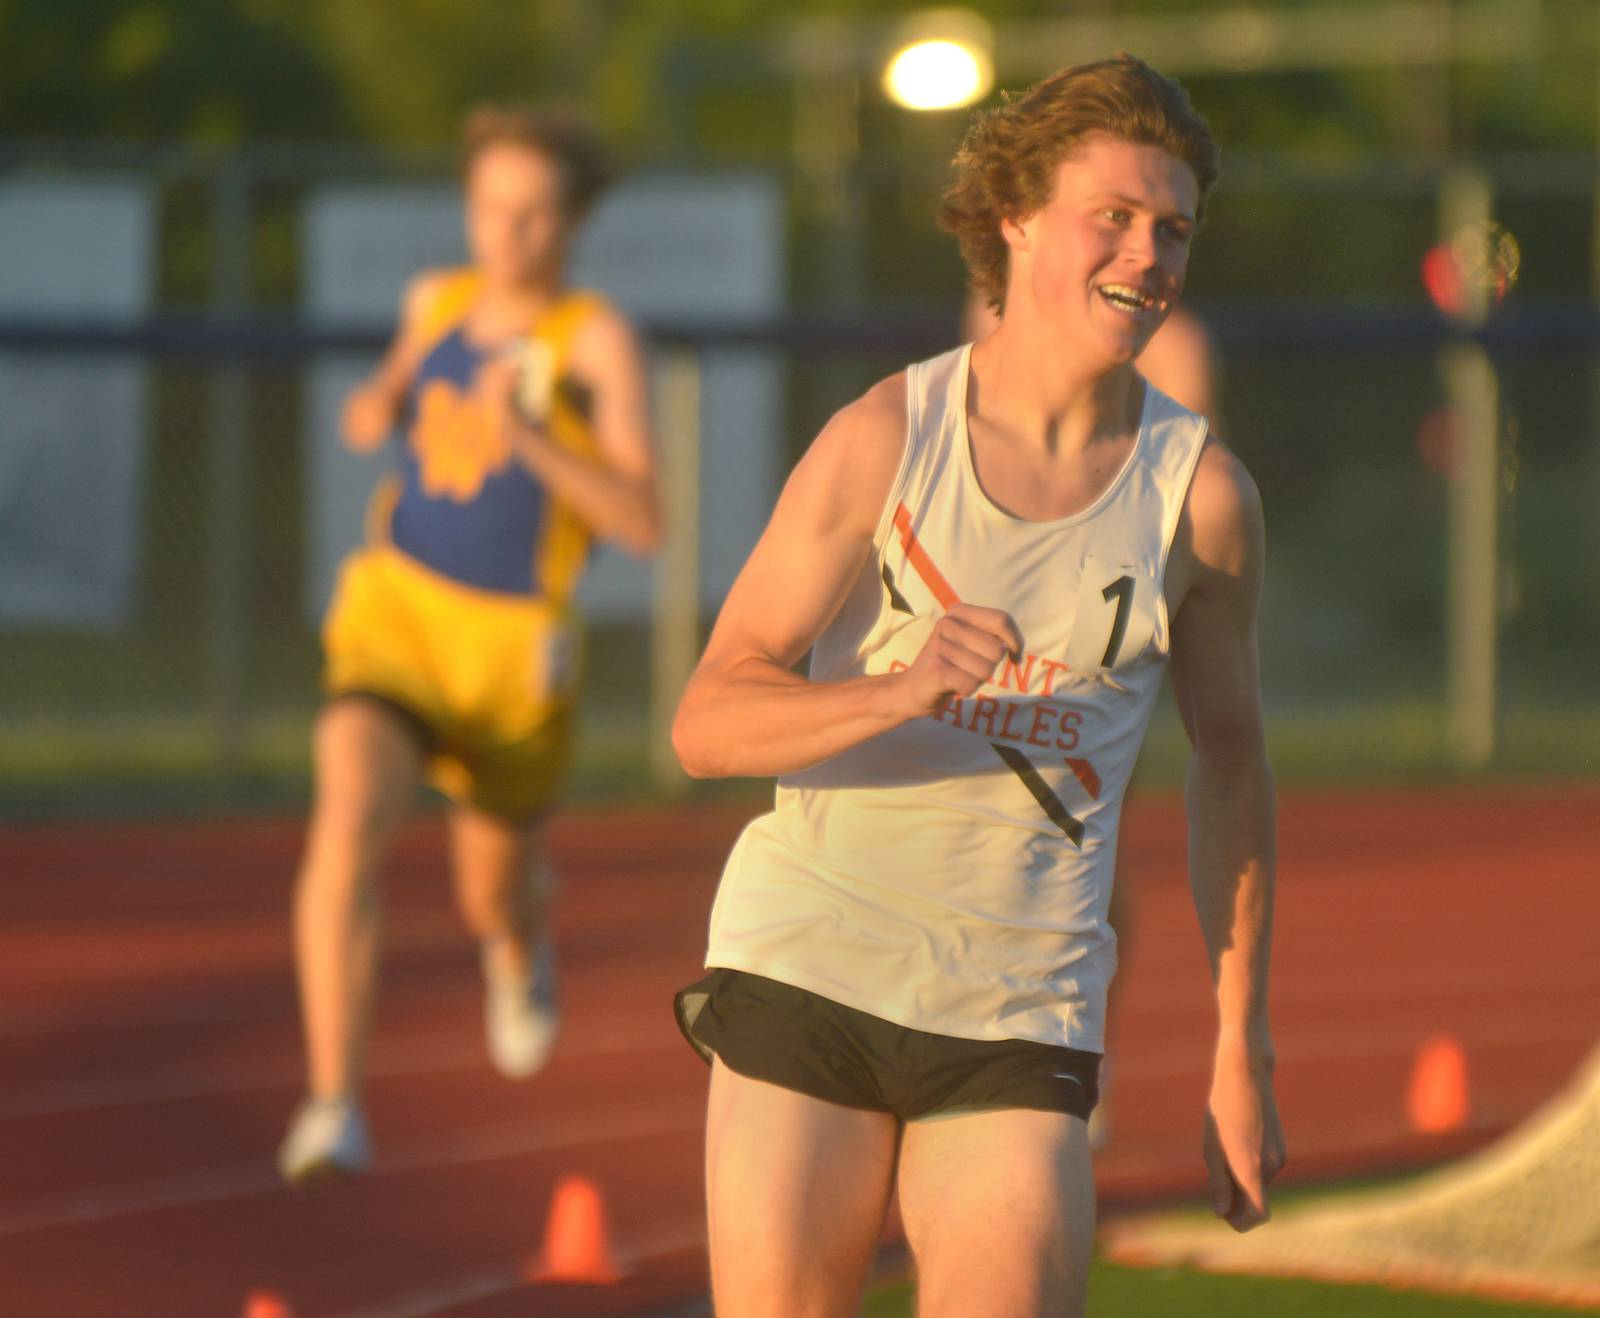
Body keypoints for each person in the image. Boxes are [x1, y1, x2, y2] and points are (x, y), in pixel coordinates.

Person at [672, 54, 1283, 1318]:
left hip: (1021, 1007)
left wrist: (1240, 1047)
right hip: (812, 966)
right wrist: (894, 691)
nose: (1146, 255)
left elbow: (1231, 762)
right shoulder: (886, 440)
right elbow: (707, 719)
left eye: (1172, 228)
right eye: (1110, 217)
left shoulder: (1202, 501)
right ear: (1016, 219)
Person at [277, 104, 660, 1183]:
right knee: (349, 807)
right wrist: (370, 406)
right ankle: (332, 1101)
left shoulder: (591, 339)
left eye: (537, 212)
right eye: (494, 207)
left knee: (488, 888)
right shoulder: (434, 302)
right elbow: (385, 399)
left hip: (511, 656)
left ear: (573, 220)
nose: (511, 232)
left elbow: (642, 521)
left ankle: (516, 946)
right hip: (396, 613)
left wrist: (533, 440)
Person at [965, 282, 1223, 1155]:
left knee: (1082, 829)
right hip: (997, 586)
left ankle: (1078, 1041)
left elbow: (1183, 487)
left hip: (1104, 596)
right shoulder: (991, 315)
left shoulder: (1175, 343)